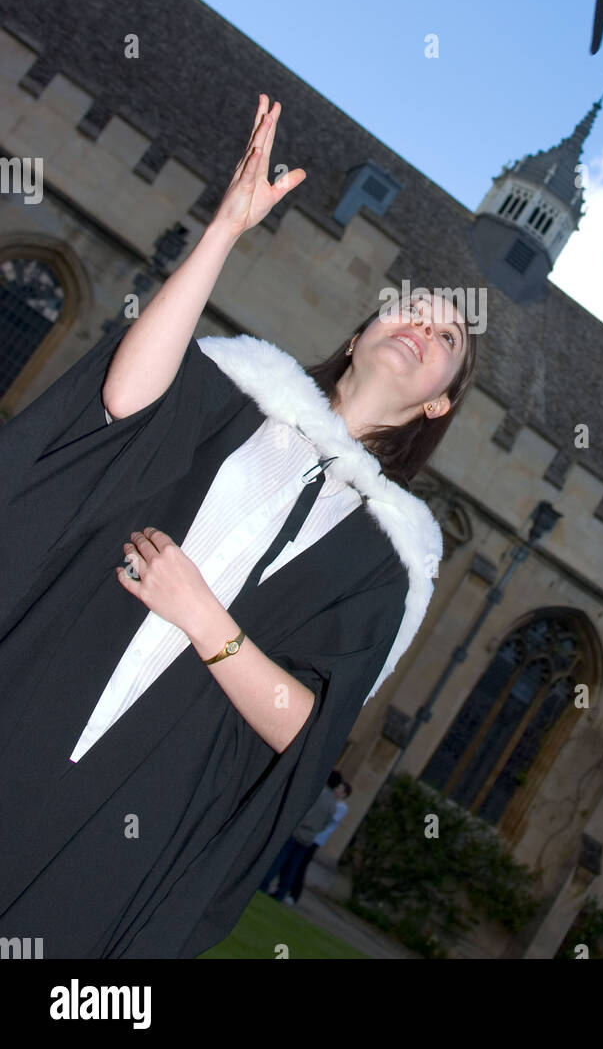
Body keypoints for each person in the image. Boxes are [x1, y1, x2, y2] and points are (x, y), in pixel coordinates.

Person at [0, 94, 477, 959]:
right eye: (411, 309)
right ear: (367, 327)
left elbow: (306, 728)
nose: (422, 327)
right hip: (41, 680)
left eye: (446, 337)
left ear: (439, 400)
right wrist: (223, 229)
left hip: (145, 789)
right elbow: (121, 400)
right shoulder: (237, 388)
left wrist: (203, 616)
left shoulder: (393, 558)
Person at [261, 769, 349, 905]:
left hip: (298, 831)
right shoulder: (332, 804)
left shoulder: (318, 793)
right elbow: (325, 824)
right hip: (309, 837)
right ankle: (281, 891)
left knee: (280, 859)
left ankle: (265, 883)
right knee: (293, 866)